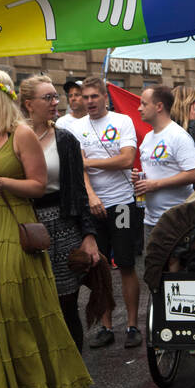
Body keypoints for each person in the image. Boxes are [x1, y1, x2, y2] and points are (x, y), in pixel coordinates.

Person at [0, 70, 92, 388]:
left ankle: (31, 382)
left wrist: (6, 182)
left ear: (1, 95)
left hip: (12, 225)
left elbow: (39, 186)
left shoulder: (21, 134)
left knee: (10, 304)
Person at [19, 74, 100, 350]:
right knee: (31, 306)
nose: (56, 102)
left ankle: (74, 372)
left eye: (56, 97)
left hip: (63, 228)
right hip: (25, 227)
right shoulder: (13, 137)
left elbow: (79, 190)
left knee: (66, 305)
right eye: (48, 98)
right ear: (29, 104)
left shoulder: (65, 139)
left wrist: (88, 235)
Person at [65, 76, 141, 349]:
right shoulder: (75, 127)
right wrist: (92, 195)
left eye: (94, 97)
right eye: (84, 98)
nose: (89, 102)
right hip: (93, 205)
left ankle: (132, 325)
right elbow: (78, 168)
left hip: (121, 203)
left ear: (104, 97)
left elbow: (126, 158)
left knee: (126, 264)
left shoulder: (122, 122)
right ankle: (106, 326)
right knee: (99, 268)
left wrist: (89, 161)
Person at [135, 85, 195, 251]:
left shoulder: (178, 136)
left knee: (174, 272)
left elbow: (194, 174)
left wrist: (155, 184)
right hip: (150, 220)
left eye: (144, 104)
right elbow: (153, 174)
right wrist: (139, 179)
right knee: (154, 272)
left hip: (175, 219)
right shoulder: (148, 138)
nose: (139, 108)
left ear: (159, 107)